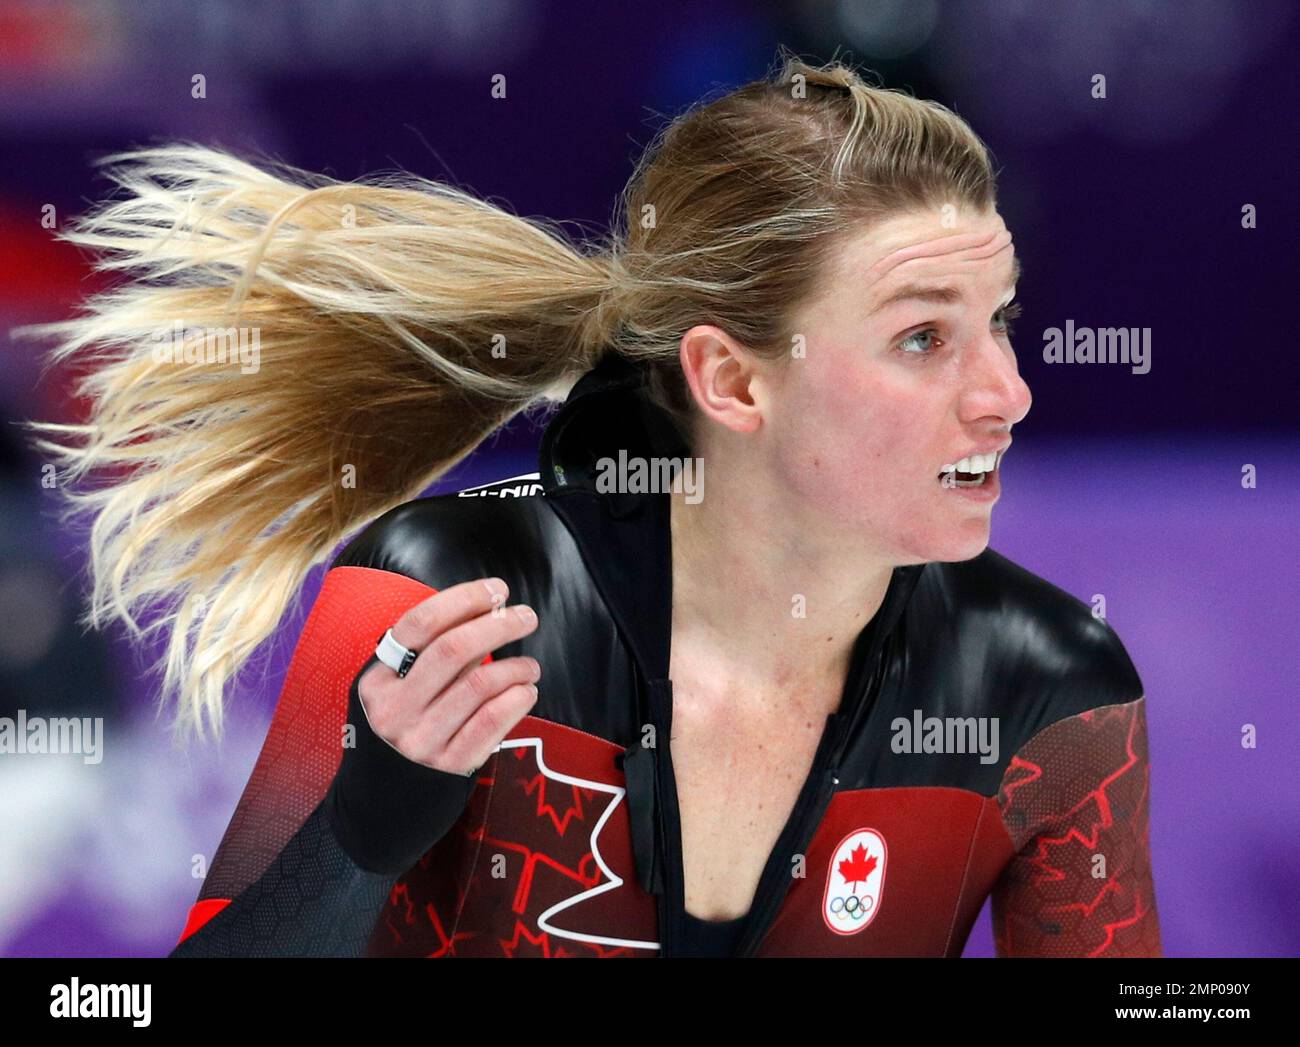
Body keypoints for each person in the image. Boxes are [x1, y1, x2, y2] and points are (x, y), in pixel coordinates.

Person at [21, 52, 1160, 957]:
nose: (1006, 394)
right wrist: (359, 839)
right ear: (731, 380)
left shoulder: (1049, 684)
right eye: (923, 338)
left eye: (1000, 320)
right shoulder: (460, 594)